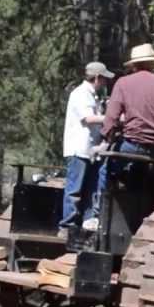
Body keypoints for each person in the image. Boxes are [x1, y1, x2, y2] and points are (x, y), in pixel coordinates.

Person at [87, 44, 154, 229]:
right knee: (144, 175)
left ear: (133, 65)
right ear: (152, 64)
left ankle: (99, 215)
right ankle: (146, 216)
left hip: (133, 143)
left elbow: (111, 116)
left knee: (106, 169)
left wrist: (106, 139)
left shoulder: (123, 83)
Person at [60, 61, 114, 234]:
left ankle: (86, 223)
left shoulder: (93, 96)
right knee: (74, 190)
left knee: (91, 190)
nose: (106, 82)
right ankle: (67, 226)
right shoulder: (81, 94)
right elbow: (88, 119)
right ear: (97, 78)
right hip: (79, 149)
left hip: (91, 150)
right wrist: (111, 118)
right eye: (104, 79)